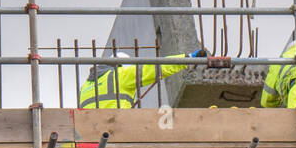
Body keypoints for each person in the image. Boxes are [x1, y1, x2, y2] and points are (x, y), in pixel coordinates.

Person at [78, 48, 206, 108]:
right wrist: (187, 58)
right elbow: (157, 67)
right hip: (113, 127)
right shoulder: (120, 74)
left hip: (88, 134)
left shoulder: (86, 85)